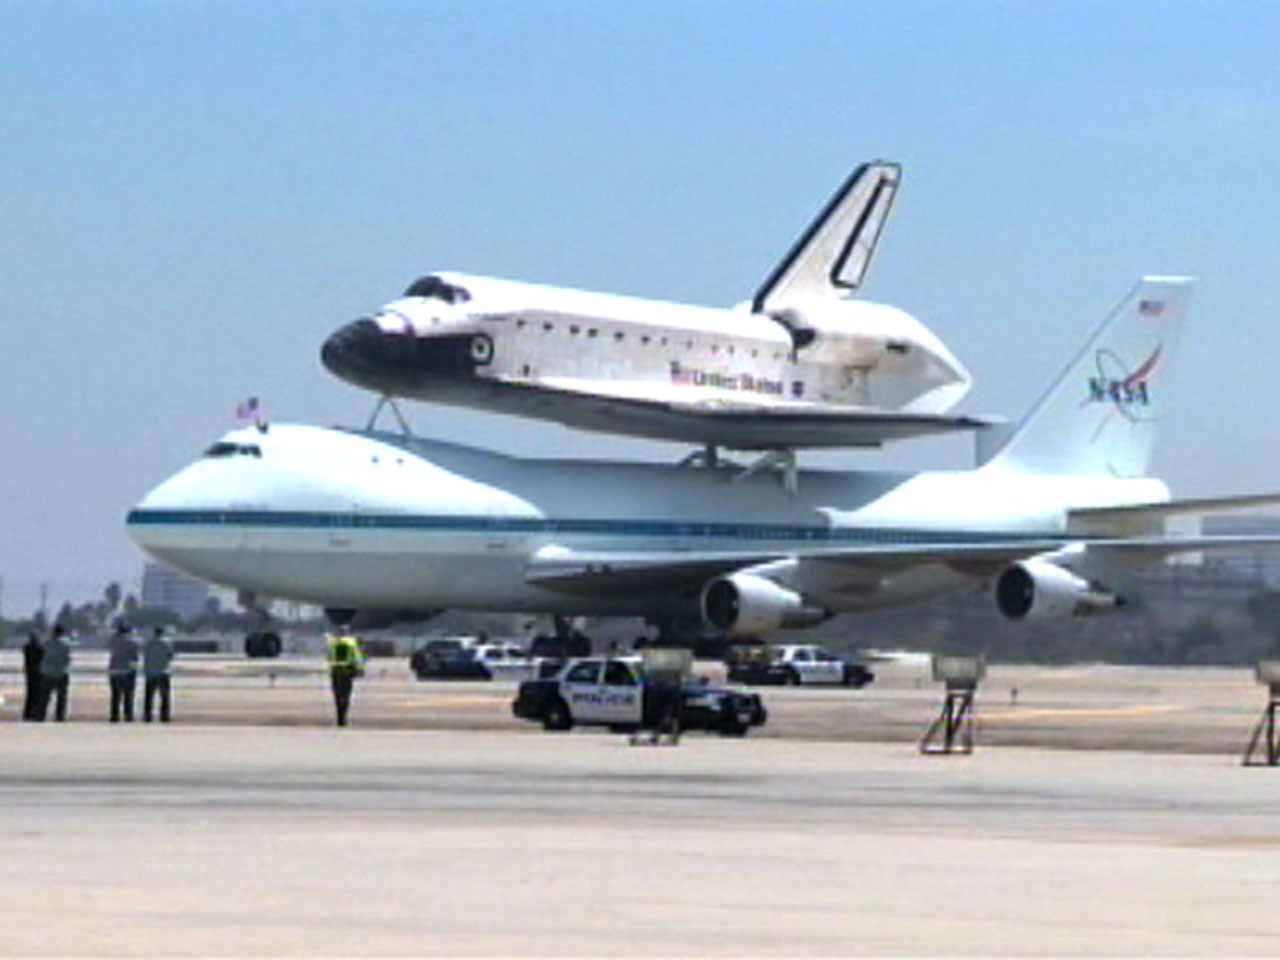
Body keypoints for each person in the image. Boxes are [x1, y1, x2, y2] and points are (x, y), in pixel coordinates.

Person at [326, 626, 364, 726]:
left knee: (337, 695)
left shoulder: (333, 643)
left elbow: (329, 657)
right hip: (347, 671)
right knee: (346, 695)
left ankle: (339, 717)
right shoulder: (351, 643)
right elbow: (357, 656)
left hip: (335, 671)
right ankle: (343, 718)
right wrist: (360, 668)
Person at [106, 624, 141, 722]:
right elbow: (135, 657)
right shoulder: (132, 642)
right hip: (127, 670)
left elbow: (107, 646)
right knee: (128, 695)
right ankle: (128, 715)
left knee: (115, 695)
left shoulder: (113, 641)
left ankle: (114, 716)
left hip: (114, 670)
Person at [39, 625, 72, 722]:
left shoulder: (47, 643)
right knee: (61, 697)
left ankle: (41, 715)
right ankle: (60, 716)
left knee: (45, 697)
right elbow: (67, 658)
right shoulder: (66, 644)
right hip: (61, 672)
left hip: (48, 672)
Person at [142, 628, 175, 722]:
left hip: (151, 672)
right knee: (164, 696)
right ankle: (164, 716)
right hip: (163, 672)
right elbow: (171, 656)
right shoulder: (167, 643)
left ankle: (147, 716)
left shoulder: (148, 643)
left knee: (149, 696)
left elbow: (145, 655)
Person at [21, 632, 43, 721]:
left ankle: (28, 713)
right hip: (37, 672)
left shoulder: (27, 648)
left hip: (29, 672)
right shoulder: (39, 649)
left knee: (30, 693)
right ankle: (35, 713)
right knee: (36, 693)